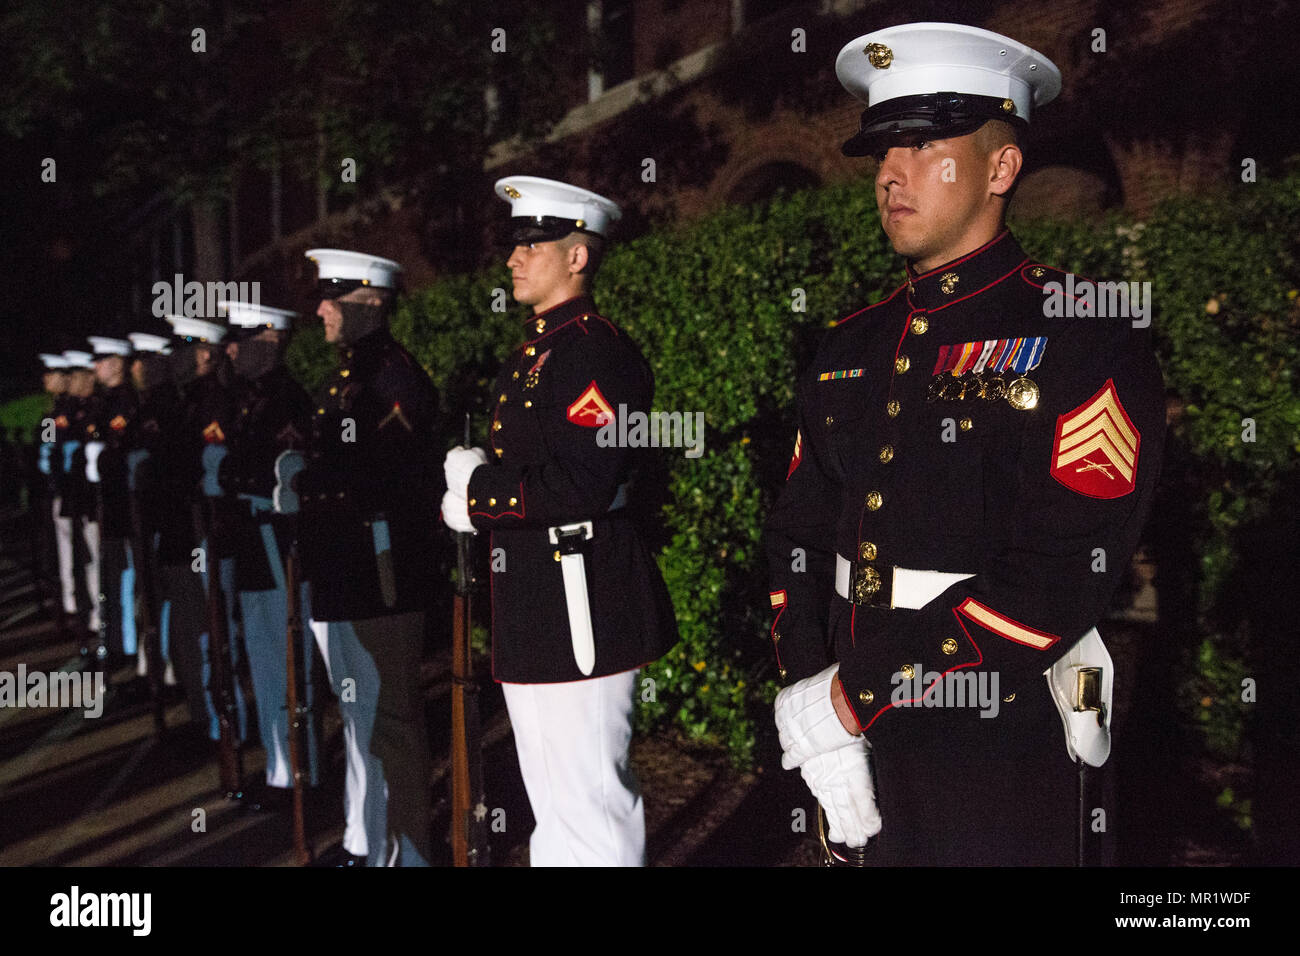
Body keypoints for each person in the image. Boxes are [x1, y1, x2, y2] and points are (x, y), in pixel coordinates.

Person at [764, 23, 1165, 865]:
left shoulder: (1083, 332)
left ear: (1001, 167)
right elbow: (800, 532)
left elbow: (1062, 572)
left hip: (994, 740)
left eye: (922, 146)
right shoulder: (849, 345)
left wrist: (850, 697)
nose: (888, 175)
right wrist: (809, 699)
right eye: (882, 151)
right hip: (844, 733)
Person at [441, 176, 678, 866]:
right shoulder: (538, 353)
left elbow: (583, 481)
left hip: (581, 604)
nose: (513, 258)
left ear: (578, 256)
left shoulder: (593, 352)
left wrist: (478, 491)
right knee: (554, 808)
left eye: (532, 243)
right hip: (539, 603)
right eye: (514, 245)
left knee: (590, 808)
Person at [287, 248, 439, 866]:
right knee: (363, 722)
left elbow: (395, 483)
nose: (321, 308)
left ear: (371, 302)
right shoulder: (348, 376)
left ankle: (414, 857)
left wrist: (310, 481)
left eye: (334, 297)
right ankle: (375, 846)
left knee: (394, 728)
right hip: (345, 575)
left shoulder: (394, 380)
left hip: (383, 579)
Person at [210, 300, 319, 805]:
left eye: (244, 336)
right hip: (254, 545)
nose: (231, 347)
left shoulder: (287, 401)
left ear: (272, 339)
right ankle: (281, 768)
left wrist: (234, 473)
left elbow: (276, 471)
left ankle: (300, 773)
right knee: (266, 661)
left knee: (286, 661)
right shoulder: (251, 400)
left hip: (277, 547)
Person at [59, 349, 103, 662]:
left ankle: (98, 623)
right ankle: (83, 614)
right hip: (74, 498)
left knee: (96, 564)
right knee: (79, 562)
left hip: (92, 501)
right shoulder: (64, 409)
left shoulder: (94, 410)